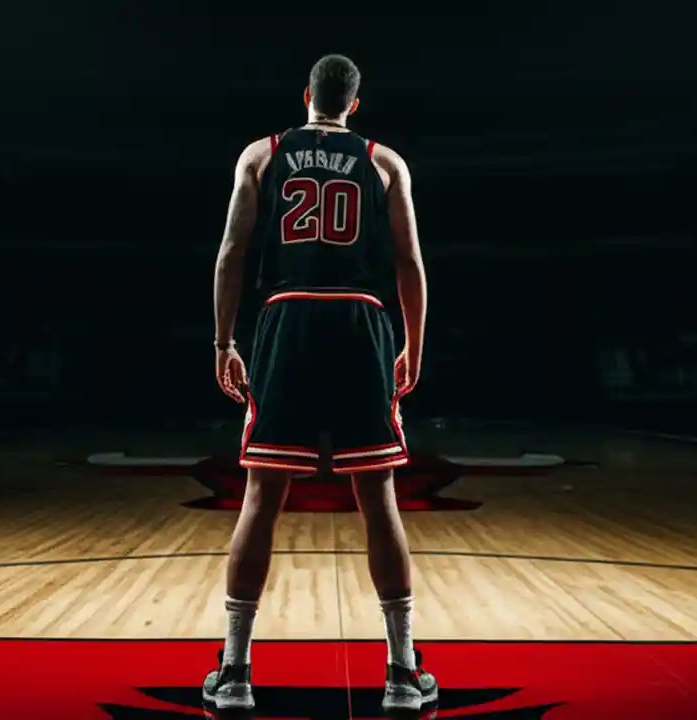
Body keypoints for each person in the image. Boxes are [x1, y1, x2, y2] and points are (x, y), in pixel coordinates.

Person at [206, 54, 435, 713]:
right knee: (379, 495)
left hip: (287, 317)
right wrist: (413, 346)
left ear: (305, 95)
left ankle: (237, 674)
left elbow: (231, 254)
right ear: (354, 106)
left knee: (260, 495)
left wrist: (224, 342)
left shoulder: (261, 153)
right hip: (362, 319)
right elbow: (410, 263)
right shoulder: (386, 162)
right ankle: (399, 673)